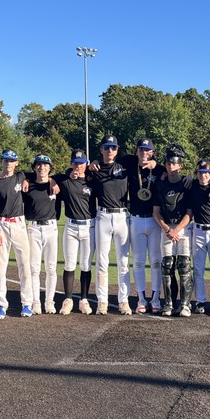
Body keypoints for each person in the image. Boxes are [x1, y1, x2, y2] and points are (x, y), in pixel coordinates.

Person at [88, 134, 132, 315]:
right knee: (102, 261)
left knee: (123, 262)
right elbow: (72, 172)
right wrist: (92, 164)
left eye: (113, 147)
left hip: (122, 217)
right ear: (101, 149)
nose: (110, 150)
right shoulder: (94, 169)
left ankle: (124, 301)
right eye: (106, 147)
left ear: (117, 149)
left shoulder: (125, 165)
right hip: (103, 216)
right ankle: (102, 301)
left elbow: (146, 162)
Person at [0, 150, 33, 319]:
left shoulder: (20, 176)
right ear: (2, 162)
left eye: (11, 160)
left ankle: (27, 303)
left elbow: (36, 174)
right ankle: (1, 304)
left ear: (16, 163)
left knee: (24, 265)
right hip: (1, 224)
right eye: (6, 160)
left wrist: (28, 180)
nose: (8, 163)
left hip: (19, 224)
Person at [122, 138, 165, 314]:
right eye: (141, 150)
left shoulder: (160, 168)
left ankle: (155, 299)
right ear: (136, 151)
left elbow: (176, 172)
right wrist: (93, 162)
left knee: (156, 262)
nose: (144, 153)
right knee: (138, 262)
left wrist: (156, 164)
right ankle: (141, 299)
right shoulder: (130, 164)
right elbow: (111, 158)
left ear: (153, 152)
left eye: (148, 151)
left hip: (155, 220)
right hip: (136, 219)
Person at [153, 146, 193, 316]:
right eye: (168, 163)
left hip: (183, 227)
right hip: (167, 228)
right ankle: (169, 303)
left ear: (180, 165)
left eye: (174, 163)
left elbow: (190, 212)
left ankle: (184, 304)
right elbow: (156, 212)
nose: (171, 166)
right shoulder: (160, 185)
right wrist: (168, 229)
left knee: (183, 266)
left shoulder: (187, 183)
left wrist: (177, 229)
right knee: (167, 266)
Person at [53, 149, 94, 314]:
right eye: (75, 163)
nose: (78, 166)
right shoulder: (65, 180)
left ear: (86, 164)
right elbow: (49, 177)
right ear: (71, 164)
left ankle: (84, 299)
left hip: (89, 226)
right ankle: (68, 299)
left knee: (85, 265)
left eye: (81, 163)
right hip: (70, 226)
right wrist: (66, 175)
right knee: (69, 264)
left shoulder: (92, 181)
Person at [23, 154, 62, 315]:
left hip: (51, 228)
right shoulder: (28, 185)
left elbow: (67, 173)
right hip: (33, 228)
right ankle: (36, 302)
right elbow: (20, 175)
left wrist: (53, 181)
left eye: (45, 165)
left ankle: (49, 302)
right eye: (39, 165)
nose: (42, 167)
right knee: (34, 268)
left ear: (50, 168)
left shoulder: (56, 185)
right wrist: (26, 178)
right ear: (34, 167)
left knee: (51, 268)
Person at [187, 159, 210, 315]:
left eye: (207, 173)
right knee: (198, 270)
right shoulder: (192, 186)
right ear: (197, 174)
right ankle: (200, 301)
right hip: (198, 230)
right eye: (201, 173)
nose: (204, 176)